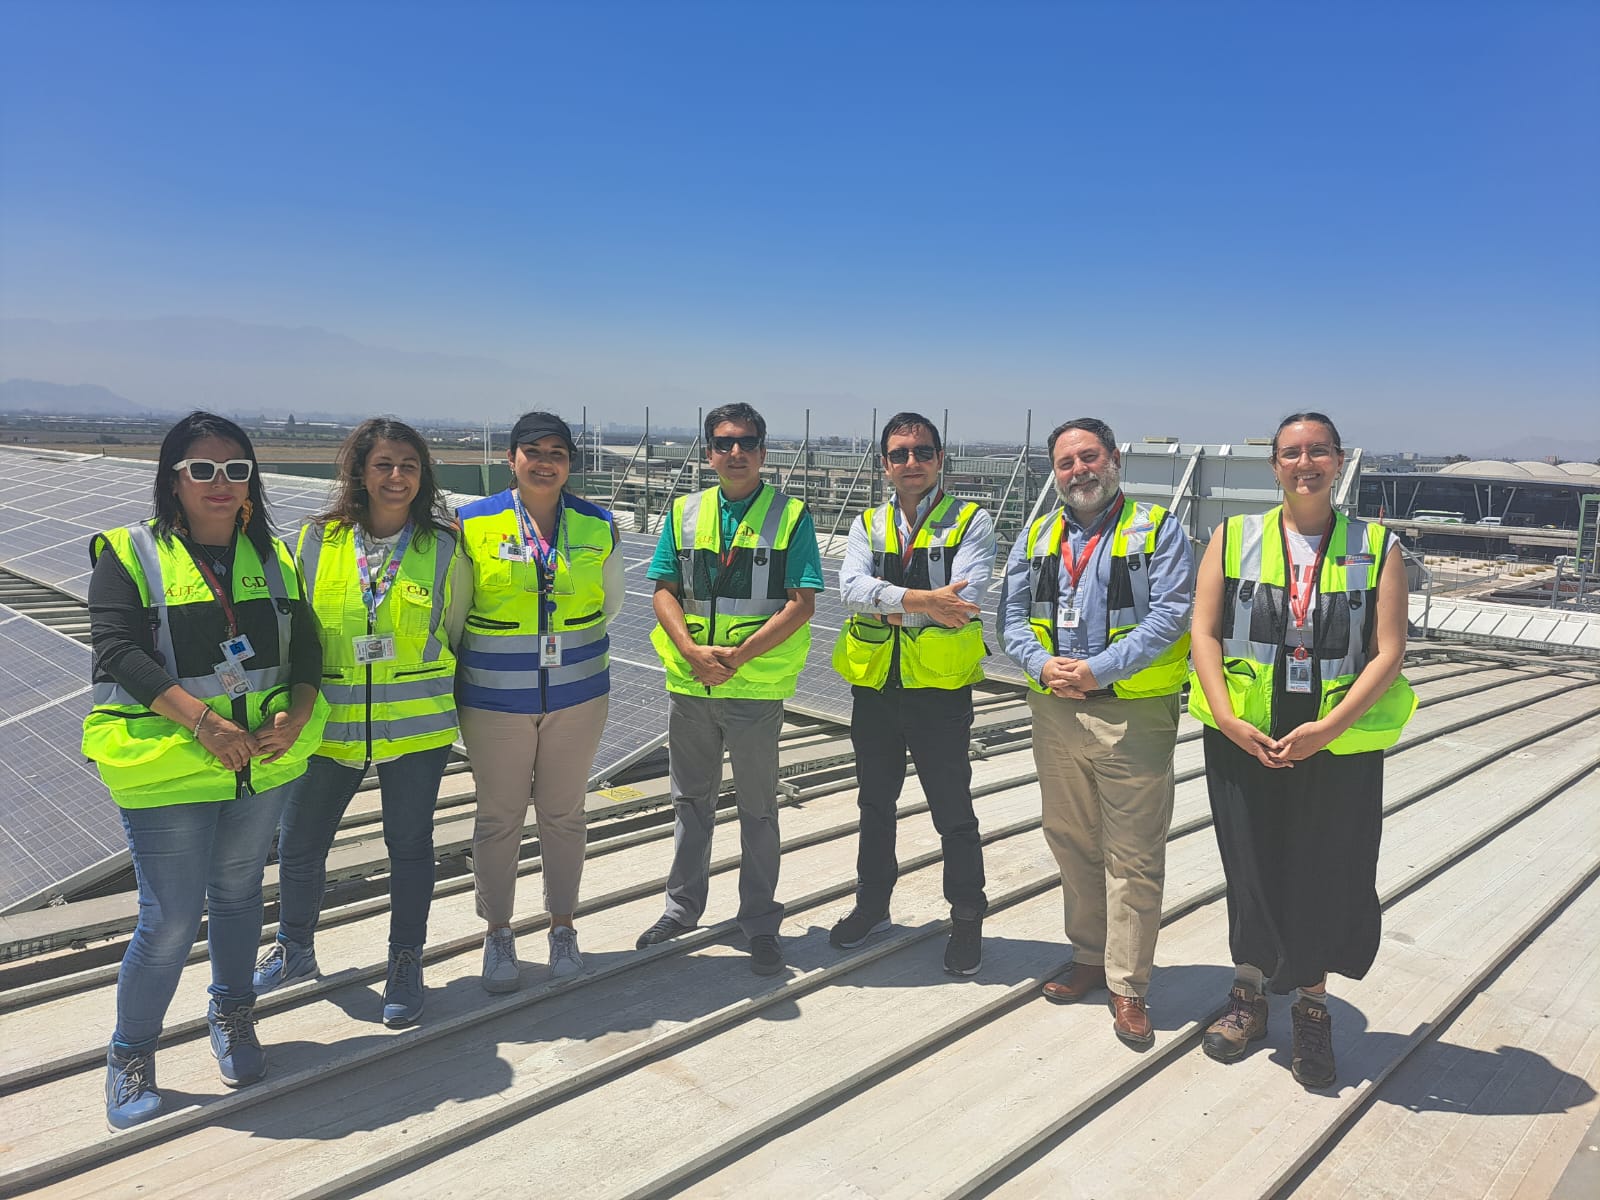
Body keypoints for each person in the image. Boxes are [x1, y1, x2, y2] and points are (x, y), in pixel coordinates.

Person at [83, 411, 329, 1130]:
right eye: (202, 470)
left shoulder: (275, 556)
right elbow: (117, 652)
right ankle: (131, 1051)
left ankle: (232, 1012)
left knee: (239, 894)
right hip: (169, 770)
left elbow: (307, 643)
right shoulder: (130, 554)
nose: (220, 484)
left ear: (251, 481)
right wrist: (205, 722)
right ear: (173, 479)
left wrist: (302, 704)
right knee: (169, 918)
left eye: (236, 470)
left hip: (258, 766)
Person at [1189, 411, 1414, 1088]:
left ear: (1339, 461)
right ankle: (1249, 994)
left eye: (1319, 451)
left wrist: (1330, 727)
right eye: (1292, 452)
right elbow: (1203, 634)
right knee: (1250, 866)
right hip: (1247, 734)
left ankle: (1312, 1008)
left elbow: (1390, 650)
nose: (1305, 462)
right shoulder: (1233, 538)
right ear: (1275, 465)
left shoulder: (1378, 545)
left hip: (1335, 743)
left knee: (1325, 869)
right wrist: (1227, 719)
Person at [253, 418, 468, 1028]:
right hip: (328, 725)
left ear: (422, 476)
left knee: (409, 846)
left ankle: (405, 962)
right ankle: (294, 948)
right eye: (383, 465)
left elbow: (452, 632)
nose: (396, 477)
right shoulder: (315, 540)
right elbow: (297, 632)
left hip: (416, 730)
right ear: (359, 472)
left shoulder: (445, 547)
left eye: (408, 465)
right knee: (300, 844)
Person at [998, 417, 1194, 1049]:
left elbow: (1172, 613)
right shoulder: (1037, 533)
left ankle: (1129, 985)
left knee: (1133, 853)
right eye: (1065, 463)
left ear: (1114, 460)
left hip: (1130, 711)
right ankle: (1088, 956)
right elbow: (1011, 613)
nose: (1078, 471)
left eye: (1089, 457)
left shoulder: (1158, 529)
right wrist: (1039, 663)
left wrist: (1097, 669)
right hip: (1054, 709)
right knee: (1069, 838)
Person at [636, 402, 823, 975]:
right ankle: (682, 908)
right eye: (723, 443)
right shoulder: (684, 511)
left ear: (764, 452)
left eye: (746, 442)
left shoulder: (791, 516)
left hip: (753, 688)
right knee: (690, 803)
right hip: (692, 685)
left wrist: (737, 657)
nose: (734, 452)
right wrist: (692, 652)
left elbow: (803, 602)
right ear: (709, 451)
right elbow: (664, 589)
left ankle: (760, 921)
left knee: (758, 809)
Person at [455, 412, 622, 993]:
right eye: (533, 450)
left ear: (570, 462)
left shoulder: (598, 524)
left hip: (577, 695)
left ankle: (563, 926)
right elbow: (454, 616)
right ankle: (498, 933)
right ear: (511, 459)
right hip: (494, 699)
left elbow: (612, 604)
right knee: (498, 817)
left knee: (564, 814)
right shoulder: (471, 523)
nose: (545, 462)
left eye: (557, 451)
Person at [831, 412, 997, 974]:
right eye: (899, 454)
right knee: (874, 804)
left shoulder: (971, 521)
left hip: (938, 690)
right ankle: (872, 905)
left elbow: (967, 596)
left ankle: (967, 917)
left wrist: (892, 602)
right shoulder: (867, 523)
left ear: (939, 458)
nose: (911, 463)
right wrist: (925, 602)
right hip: (876, 685)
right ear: (884, 465)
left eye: (922, 452)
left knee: (953, 811)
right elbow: (849, 590)